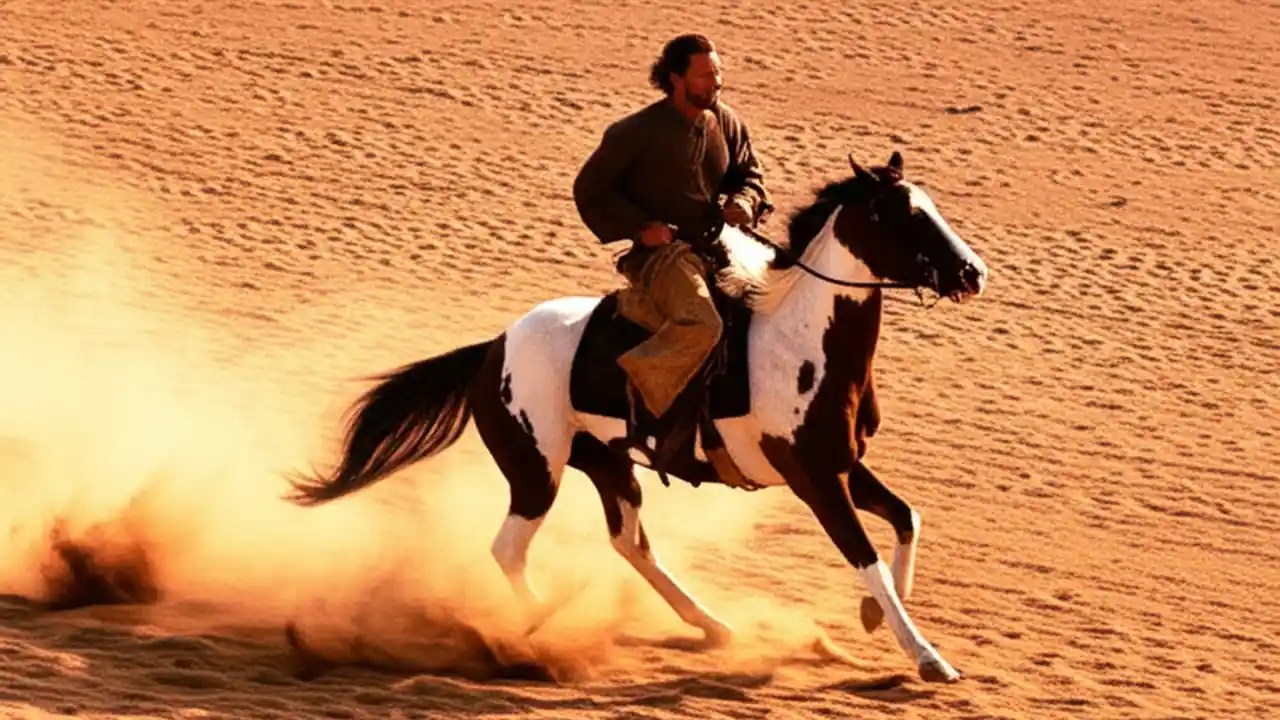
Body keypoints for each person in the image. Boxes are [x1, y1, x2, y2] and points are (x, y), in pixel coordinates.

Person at [572, 33, 770, 487]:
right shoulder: (633, 133)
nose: (715, 83)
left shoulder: (728, 123)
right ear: (676, 78)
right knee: (704, 323)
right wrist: (641, 226)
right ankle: (642, 398)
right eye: (704, 75)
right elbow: (590, 191)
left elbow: (751, 175)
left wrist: (745, 201)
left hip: (720, 245)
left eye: (718, 73)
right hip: (660, 256)